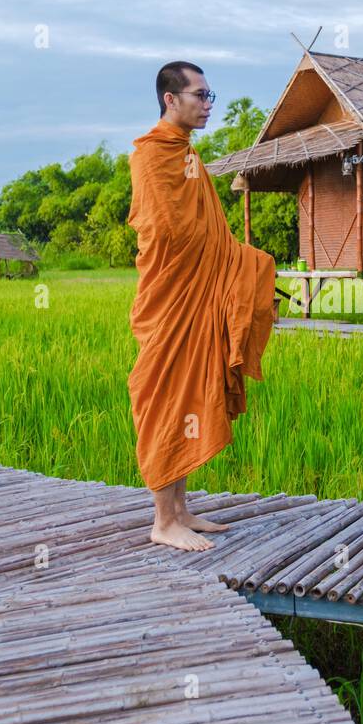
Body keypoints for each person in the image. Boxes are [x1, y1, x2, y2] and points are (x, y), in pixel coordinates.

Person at [127, 61, 279, 551]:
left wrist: (238, 265)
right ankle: (161, 521)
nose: (208, 104)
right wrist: (212, 262)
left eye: (211, 95)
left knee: (190, 394)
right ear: (171, 99)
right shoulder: (151, 156)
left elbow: (207, 229)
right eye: (201, 95)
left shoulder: (188, 155)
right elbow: (163, 230)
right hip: (171, 298)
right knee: (164, 395)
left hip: (195, 291)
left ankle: (180, 510)